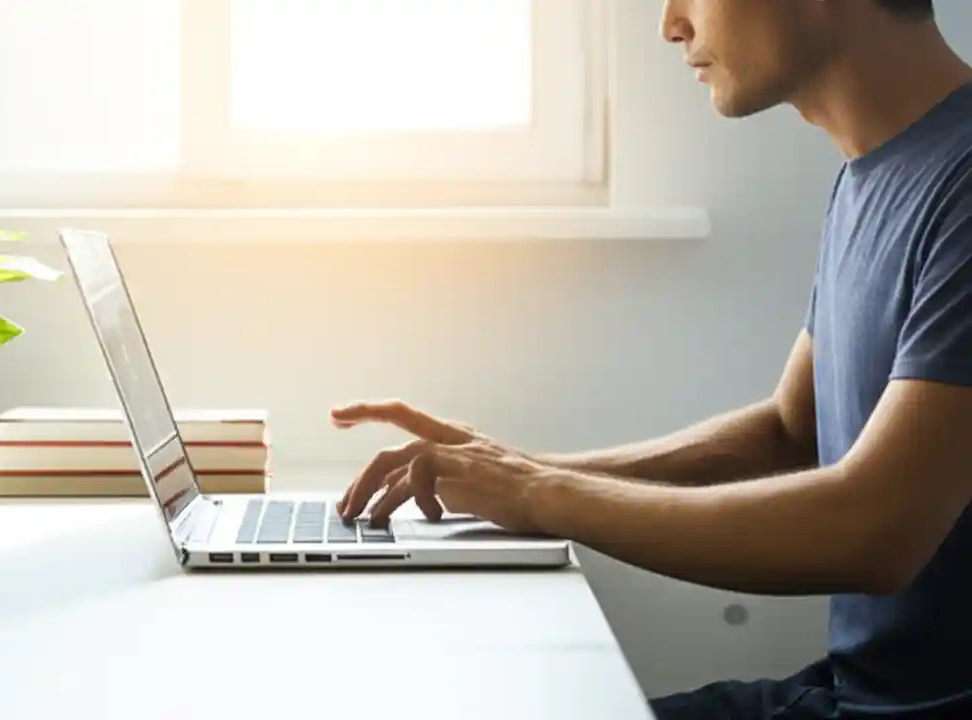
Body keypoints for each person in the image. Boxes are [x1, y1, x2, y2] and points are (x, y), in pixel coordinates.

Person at [330, 1, 972, 718]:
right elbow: (793, 431)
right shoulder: (874, 175)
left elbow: (877, 531)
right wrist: (515, 468)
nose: (671, 24)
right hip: (855, 692)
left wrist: (544, 497)